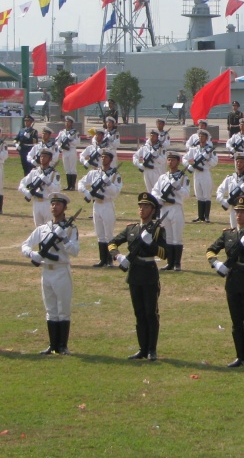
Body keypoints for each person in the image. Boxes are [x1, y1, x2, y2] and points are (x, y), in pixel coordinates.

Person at [206, 196, 244, 368]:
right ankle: (239, 356)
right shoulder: (228, 234)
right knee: (236, 321)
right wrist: (216, 263)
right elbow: (210, 250)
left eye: (243, 212)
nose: (239, 215)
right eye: (237, 211)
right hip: (232, 279)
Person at [108, 192, 168, 361]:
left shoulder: (157, 230)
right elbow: (112, 243)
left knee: (151, 312)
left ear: (153, 210)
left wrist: (152, 245)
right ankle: (142, 348)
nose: (142, 209)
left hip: (149, 272)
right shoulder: (131, 228)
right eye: (140, 206)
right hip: (134, 273)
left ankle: (151, 349)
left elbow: (165, 254)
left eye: (146, 206)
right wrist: (119, 257)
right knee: (139, 312)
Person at [20, 193, 80, 355]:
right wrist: (33, 255)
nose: (54, 207)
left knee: (63, 309)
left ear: (65, 207)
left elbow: (75, 251)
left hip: (61, 269)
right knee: (51, 309)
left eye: (58, 204)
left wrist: (65, 240)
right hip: (46, 271)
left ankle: (63, 345)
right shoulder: (43, 229)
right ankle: (53, 345)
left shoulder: (70, 229)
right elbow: (25, 245)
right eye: (52, 204)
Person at [78, 149, 122, 267]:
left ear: (111, 160)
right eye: (102, 157)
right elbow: (80, 183)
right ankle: (102, 260)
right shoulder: (94, 173)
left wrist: (108, 183)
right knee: (100, 233)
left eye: (106, 157)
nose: (103, 159)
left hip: (107, 204)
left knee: (108, 234)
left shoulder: (114, 175)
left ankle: (110, 260)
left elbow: (115, 192)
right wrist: (86, 192)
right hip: (96, 204)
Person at [152, 152, 190, 271]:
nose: (170, 162)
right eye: (168, 160)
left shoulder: (183, 177)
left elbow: (187, 194)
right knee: (168, 237)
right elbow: (154, 191)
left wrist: (178, 187)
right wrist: (159, 199)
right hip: (164, 207)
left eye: (173, 160)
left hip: (176, 207)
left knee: (176, 237)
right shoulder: (163, 177)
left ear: (178, 162)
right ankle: (170, 262)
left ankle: (177, 263)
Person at [18, 148, 62, 227]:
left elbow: (57, 190)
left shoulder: (54, 173)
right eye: (41, 156)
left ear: (50, 159)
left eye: (45, 156)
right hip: (36, 203)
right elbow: (22, 184)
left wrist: (48, 182)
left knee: (49, 228)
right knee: (38, 229)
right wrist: (27, 192)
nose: (42, 158)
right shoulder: (34, 172)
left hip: (48, 203)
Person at [184, 129, 218, 224]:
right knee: (198, 194)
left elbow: (215, 161)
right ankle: (200, 216)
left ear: (206, 138)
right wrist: (189, 166)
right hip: (196, 173)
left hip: (205, 172)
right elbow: (184, 158)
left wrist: (207, 160)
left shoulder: (209, 149)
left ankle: (206, 216)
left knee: (206, 195)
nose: (200, 138)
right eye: (199, 136)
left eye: (202, 136)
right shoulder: (195, 149)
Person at [216, 153, 244, 227]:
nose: (239, 164)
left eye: (241, 162)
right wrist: (223, 201)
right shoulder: (230, 178)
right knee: (234, 232)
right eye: (237, 162)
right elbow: (220, 190)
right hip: (234, 208)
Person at [133, 128, 166, 194]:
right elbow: (135, 156)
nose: (152, 137)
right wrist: (139, 165)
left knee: (157, 191)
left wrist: (156, 156)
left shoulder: (161, 148)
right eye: (151, 135)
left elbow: (163, 160)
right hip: (146, 170)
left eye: (154, 136)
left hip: (156, 170)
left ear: (157, 137)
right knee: (149, 191)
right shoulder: (145, 147)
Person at [57, 116, 80, 191]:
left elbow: (78, 142)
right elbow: (57, 141)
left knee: (72, 168)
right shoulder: (62, 132)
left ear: (71, 123)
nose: (67, 123)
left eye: (69, 122)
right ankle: (68, 185)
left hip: (71, 150)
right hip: (65, 151)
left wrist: (70, 141)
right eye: (66, 122)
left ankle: (72, 186)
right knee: (67, 168)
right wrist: (61, 146)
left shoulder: (75, 132)